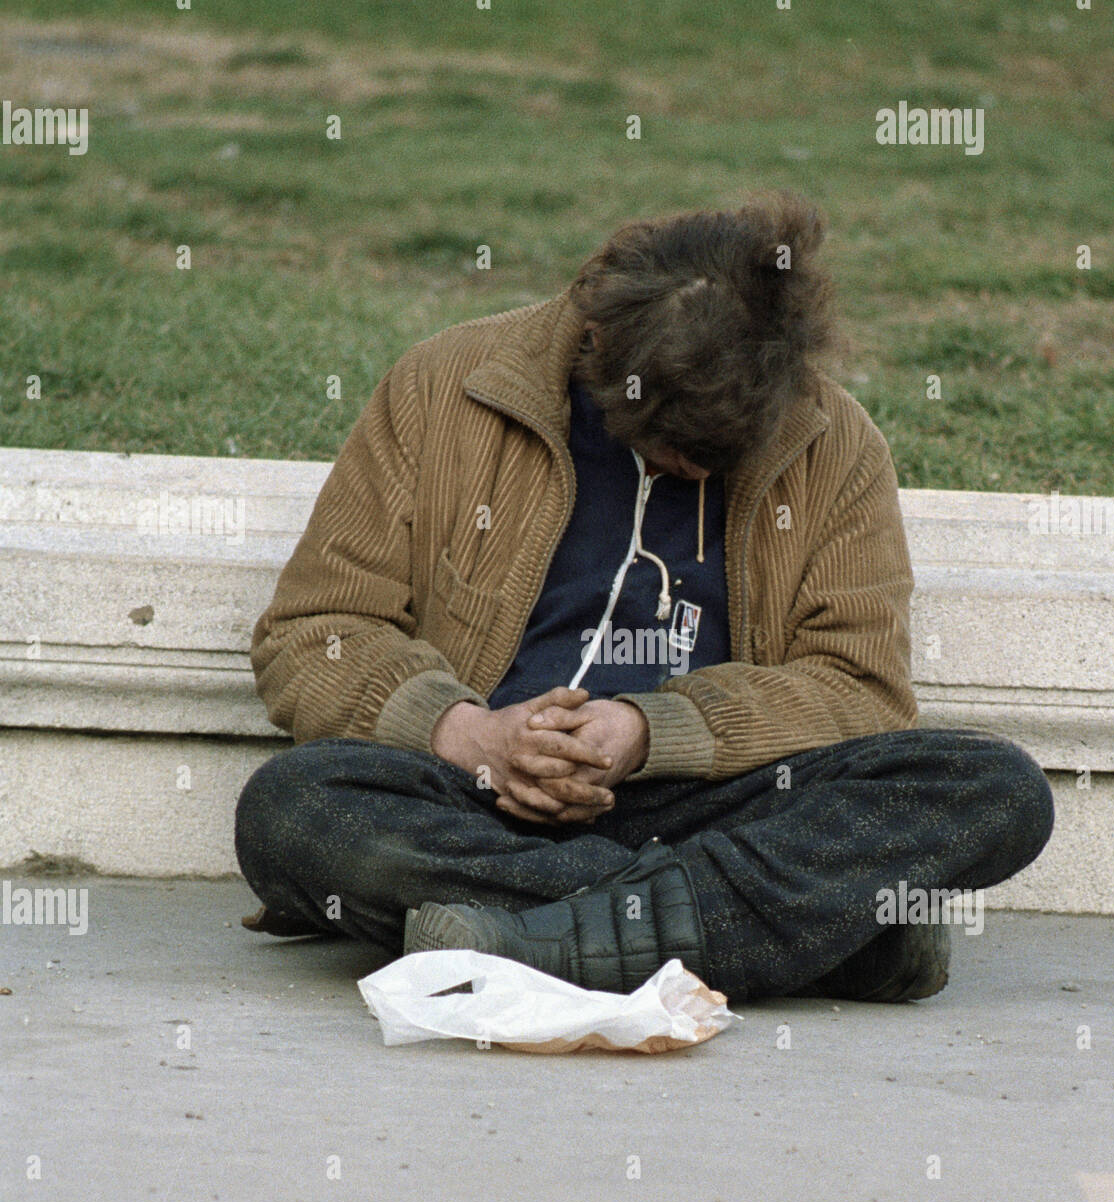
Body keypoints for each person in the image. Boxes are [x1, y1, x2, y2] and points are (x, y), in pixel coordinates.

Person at [234, 192, 1054, 1004]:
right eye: (670, 448)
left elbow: (861, 688)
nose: (692, 473)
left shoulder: (834, 443)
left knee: (998, 787)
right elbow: (316, 630)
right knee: (290, 810)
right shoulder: (443, 388)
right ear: (597, 345)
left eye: (719, 454)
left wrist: (648, 732)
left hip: (726, 810)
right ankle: (798, 937)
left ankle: (538, 942)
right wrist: (470, 734)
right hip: (488, 807)